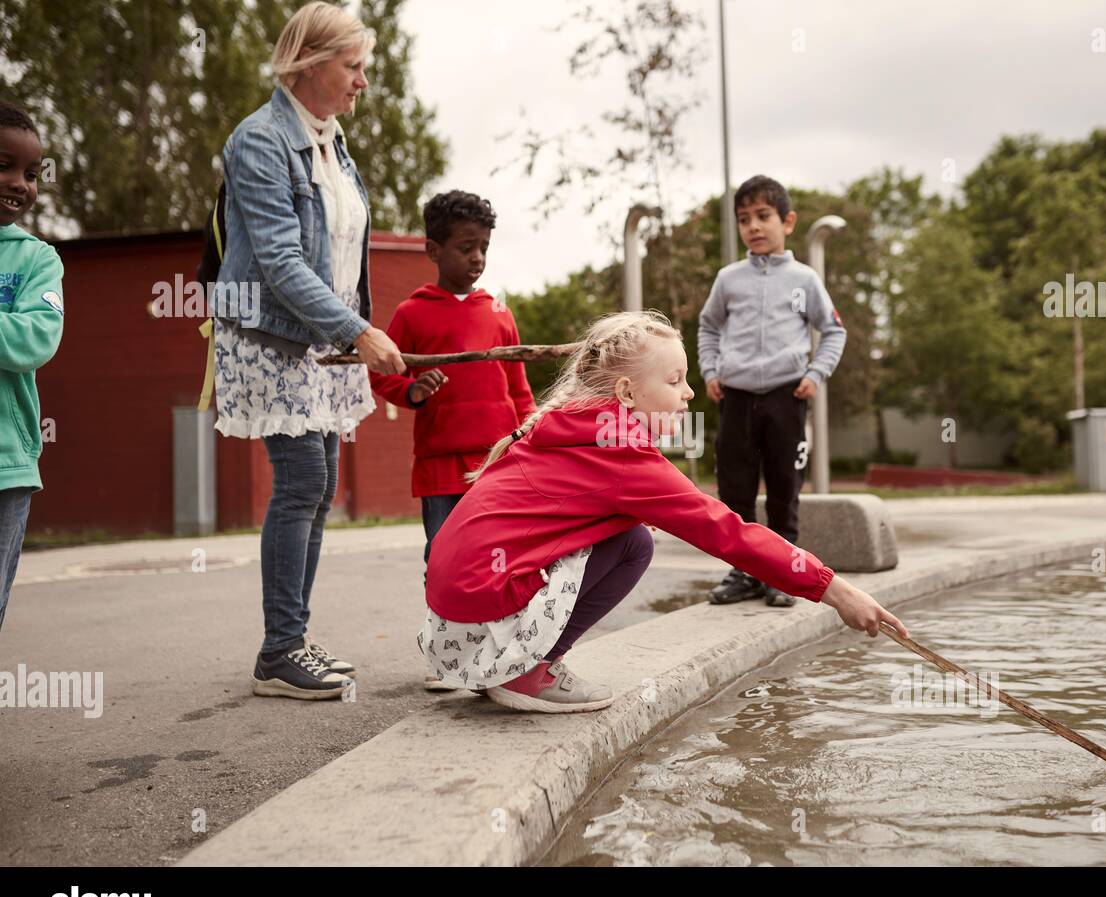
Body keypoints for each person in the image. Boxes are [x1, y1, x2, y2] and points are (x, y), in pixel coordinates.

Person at [419, 311, 905, 714]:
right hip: (483, 606)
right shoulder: (622, 453)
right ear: (627, 394)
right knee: (634, 546)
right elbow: (726, 531)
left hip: (451, 621)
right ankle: (529, 670)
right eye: (674, 380)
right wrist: (835, 591)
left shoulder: (563, 425)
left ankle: (504, 664)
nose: (689, 393)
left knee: (628, 533)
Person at [212, 1, 406, 699]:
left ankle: (292, 638)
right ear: (310, 63)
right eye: (352, 68)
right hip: (276, 338)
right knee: (302, 484)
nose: (361, 83)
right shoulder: (260, 140)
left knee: (317, 489)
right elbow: (280, 261)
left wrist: (352, 327)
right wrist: (357, 330)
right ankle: (279, 652)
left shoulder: (330, 139)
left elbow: (342, 252)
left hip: (323, 338)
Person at [367, 191, 535, 688]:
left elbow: (519, 389)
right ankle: (445, 658)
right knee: (442, 558)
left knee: (495, 557)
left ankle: (493, 654)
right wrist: (413, 390)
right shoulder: (412, 314)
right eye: (466, 247)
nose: (477, 257)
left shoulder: (500, 314)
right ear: (434, 250)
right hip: (440, 466)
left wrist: (527, 437)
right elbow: (383, 375)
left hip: (496, 464)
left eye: (483, 246)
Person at [698, 174, 846, 608]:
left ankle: (783, 574)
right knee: (735, 490)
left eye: (764, 216)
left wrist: (815, 374)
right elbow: (708, 327)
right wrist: (710, 370)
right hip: (736, 398)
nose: (754, 227)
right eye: (744, 219)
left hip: (787, 397)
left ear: (788, 222)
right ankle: (743, 571)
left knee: (784, 487)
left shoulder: (804, 279)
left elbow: (833, 331)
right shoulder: (728, 279)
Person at [0, 100, 65, 631]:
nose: (21, 183)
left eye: (32, 173)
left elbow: (35, 337)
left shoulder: (37, 260)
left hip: (7, 465)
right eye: (5, 165)